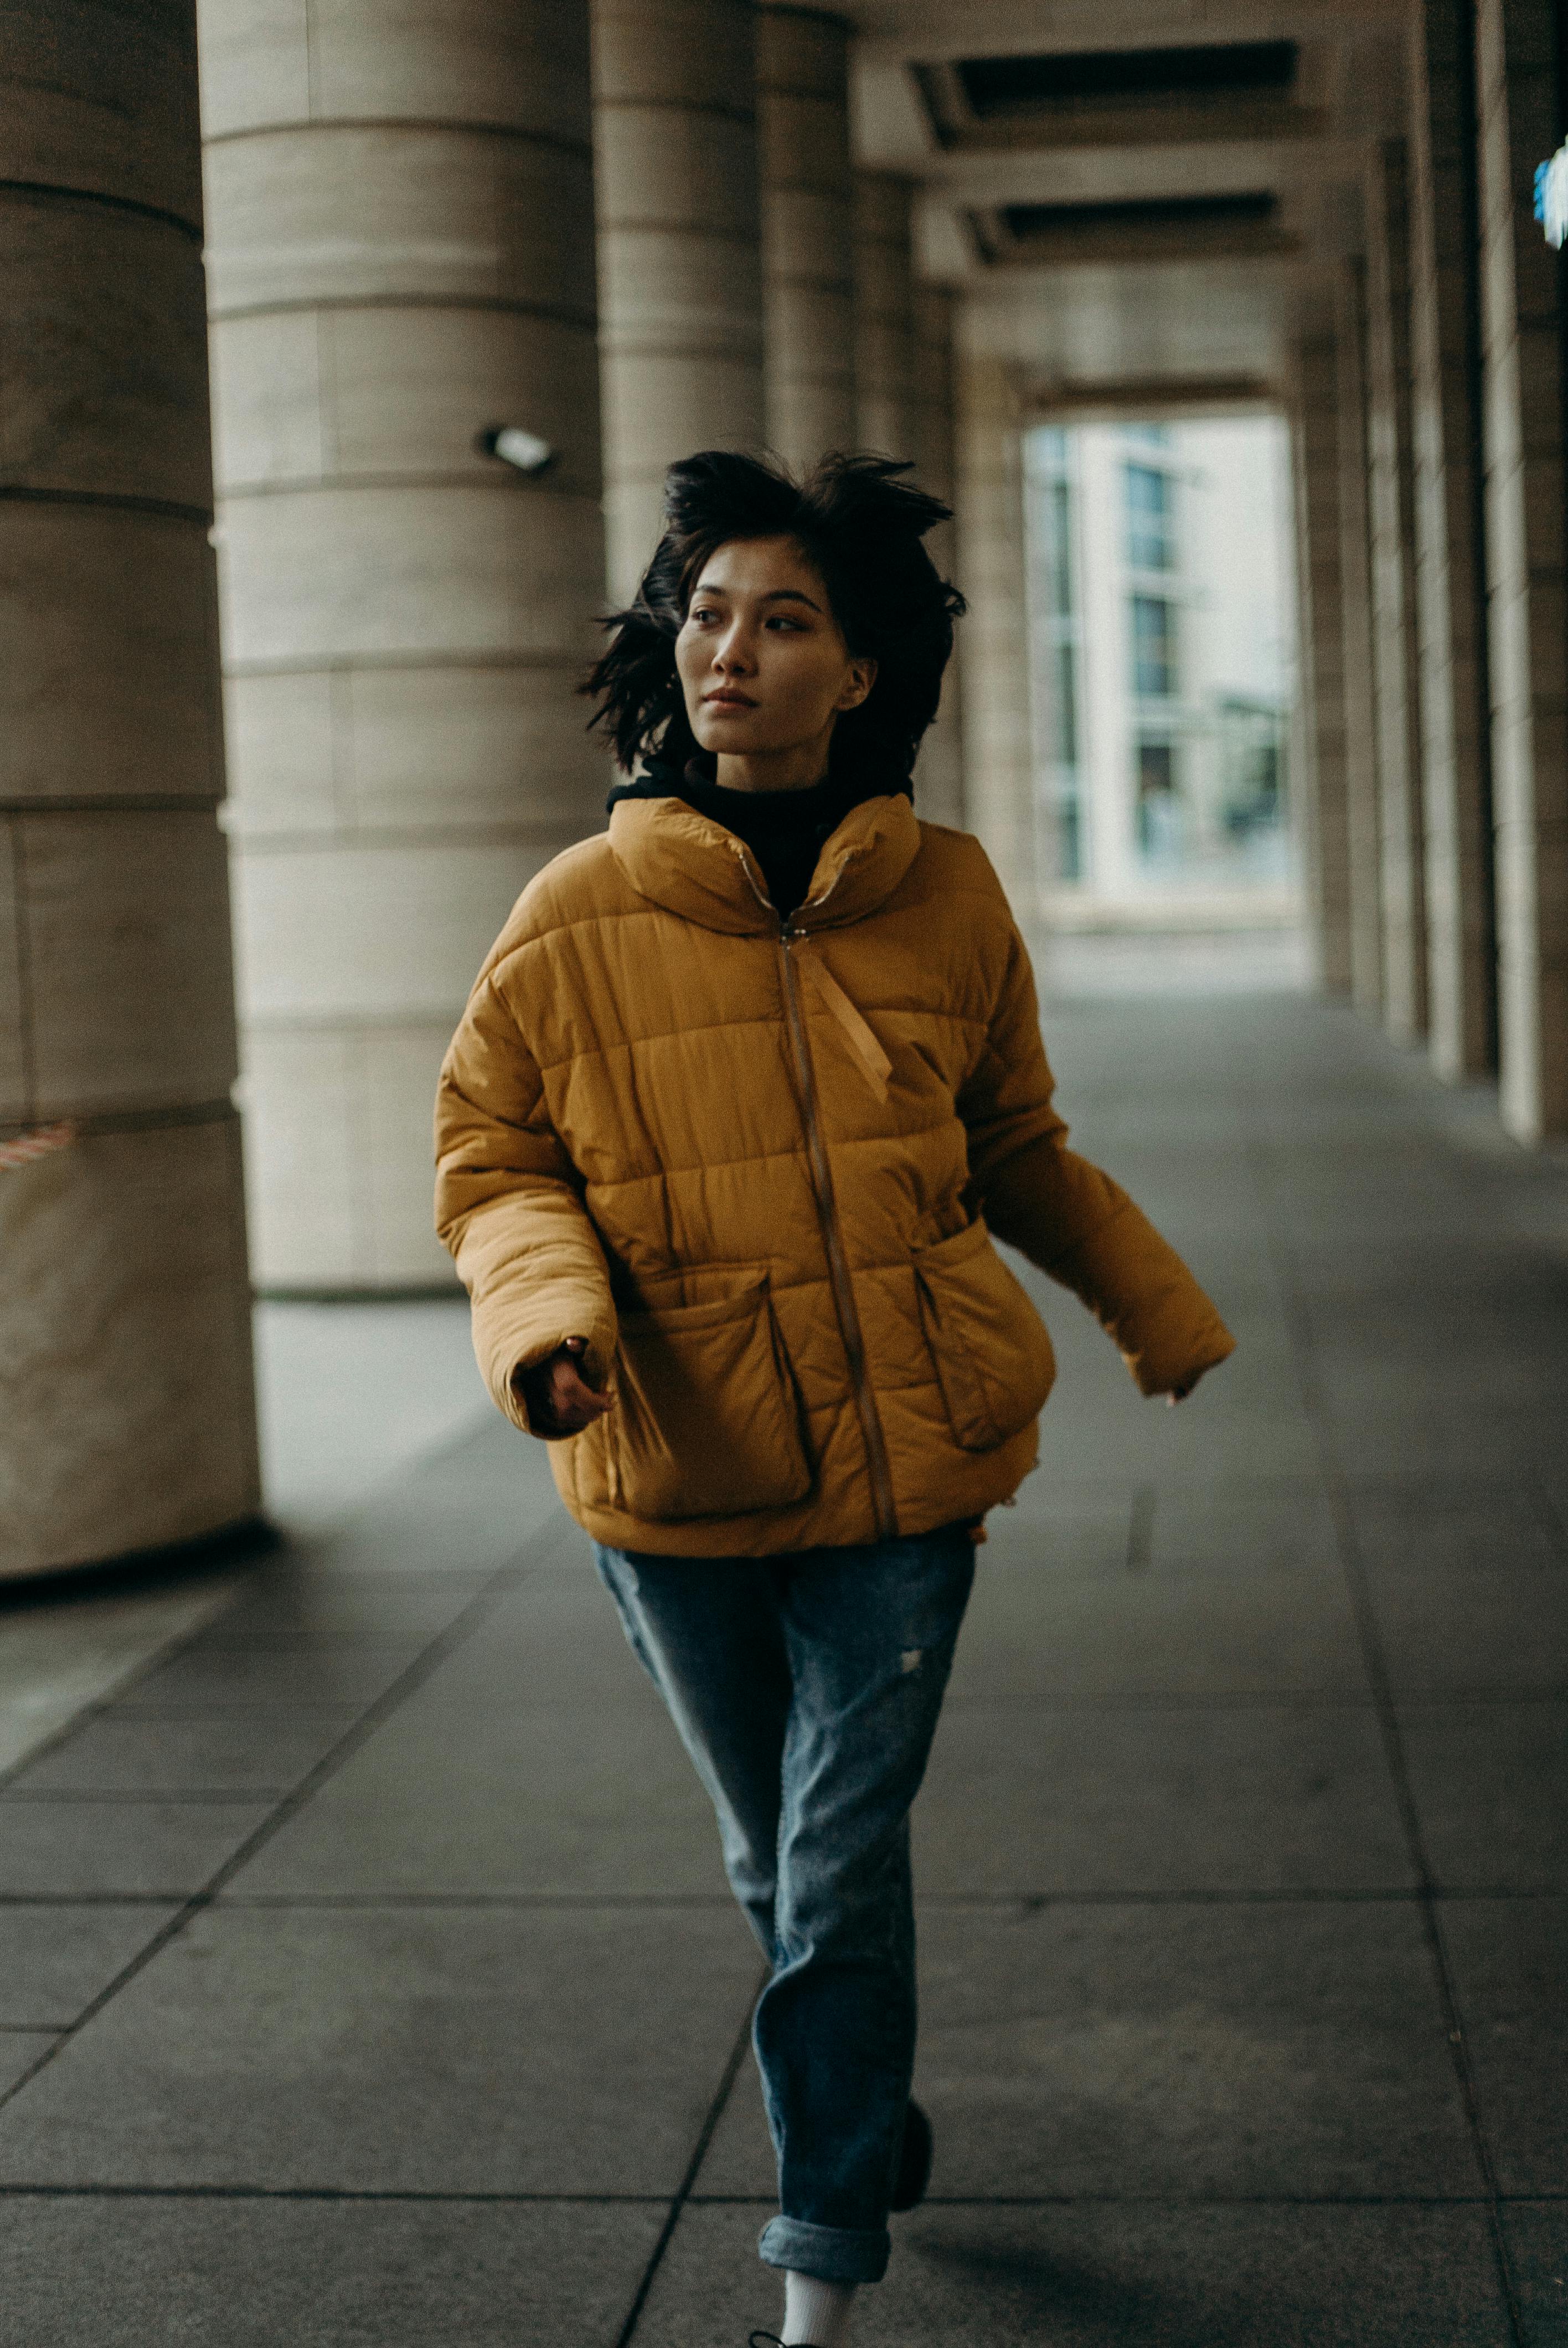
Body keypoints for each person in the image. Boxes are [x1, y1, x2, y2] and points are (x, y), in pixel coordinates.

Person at [434, 451, 1234, 2348]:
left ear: (858, 670)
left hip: (911, 1464)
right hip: (674, 1469)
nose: (732, 651)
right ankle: (866, 2110)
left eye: (783, 619)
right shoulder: (573, 913)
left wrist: (1155, 1302)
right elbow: (493, 1158)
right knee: (774, 1860)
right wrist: (550, 1327)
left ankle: (820, 2266)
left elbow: (1016, 1141)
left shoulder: (946, 896)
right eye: (706, 613)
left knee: (838, 1855)